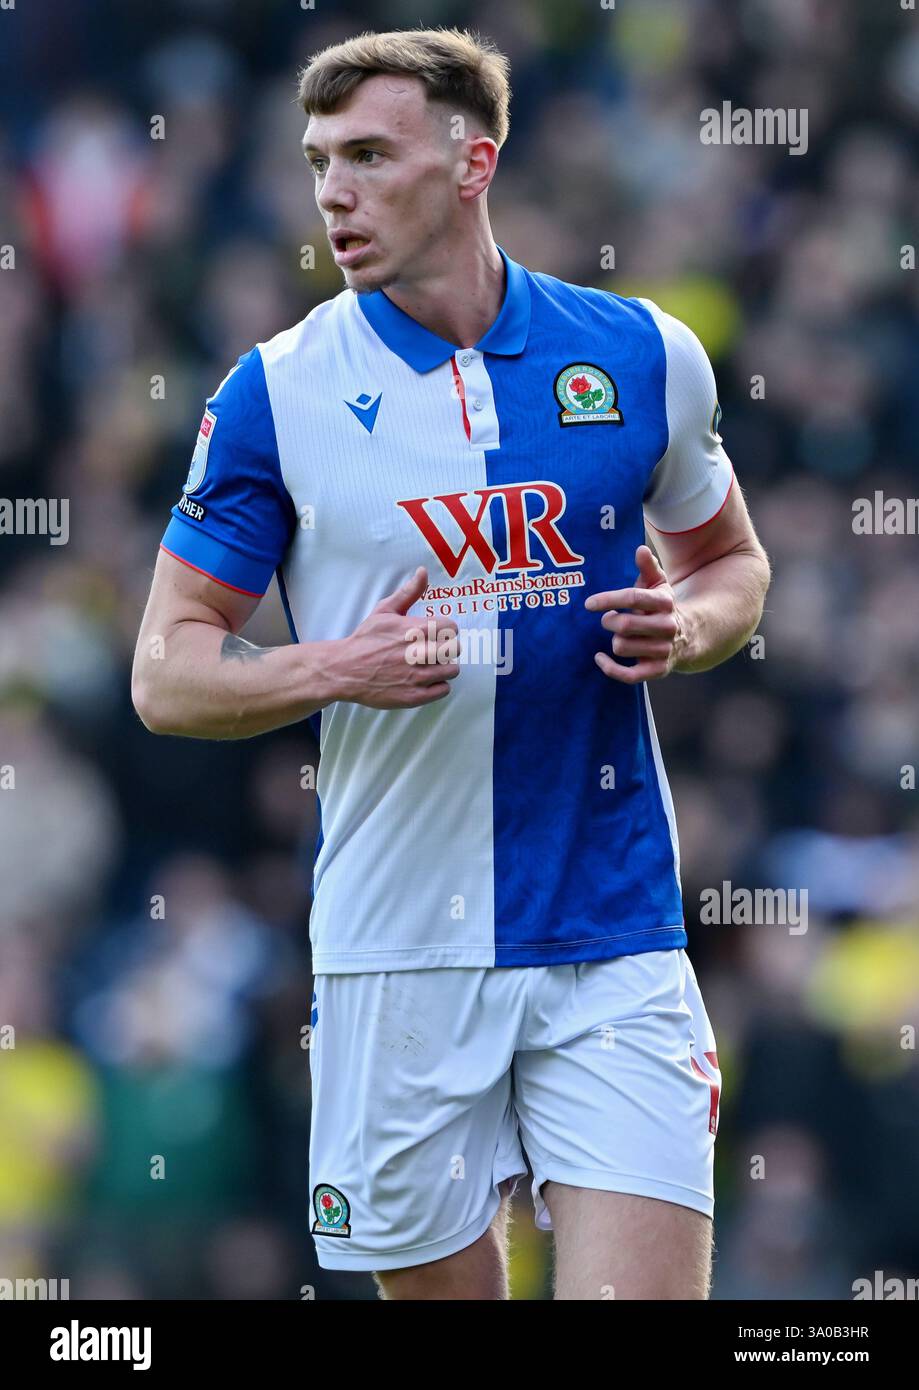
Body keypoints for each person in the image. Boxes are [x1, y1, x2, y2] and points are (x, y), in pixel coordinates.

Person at [132, 26, 771, 1300]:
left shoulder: (641, 353)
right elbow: (166, 672)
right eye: (319, 160)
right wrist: (335, 668)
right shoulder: (277, 392)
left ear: (473, 162)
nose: (333, 192)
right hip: (396, 951)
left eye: (369, 154)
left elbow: (732, 566)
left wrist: (688, 627)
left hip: (613, 931)